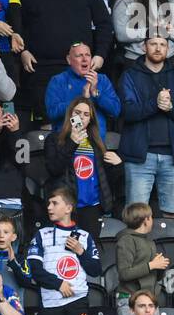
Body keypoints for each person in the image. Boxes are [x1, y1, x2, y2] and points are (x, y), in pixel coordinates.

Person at [119, 34, 174, 218]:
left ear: (168, 49)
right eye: (153, 44)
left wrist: (171, 107)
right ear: (144, 47)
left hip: (172, 157)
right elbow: (126, 112)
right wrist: (155, 103)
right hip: (140, 158)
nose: (158, 48)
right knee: (136, 217)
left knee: (172, 216)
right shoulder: (129, 75)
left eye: (162, 44)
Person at [25, 185, 101, 315]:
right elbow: (34, 269)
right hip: (51, 300)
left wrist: (81, 252)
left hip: (78, 300)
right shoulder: (41, 234)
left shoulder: (85, 236)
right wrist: (59, 284)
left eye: (54, 203)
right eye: (48, 204)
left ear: (68, 208)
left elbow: (96, 270)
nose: (49, 207)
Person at [44, 97, 120, 237]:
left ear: (90, 119)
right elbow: (54, 169)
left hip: (92, 207)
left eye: (86, 114)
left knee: (87, 252)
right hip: (67, 207)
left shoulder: (97, 143)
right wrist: (72, 142)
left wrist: (117, 166)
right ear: (70, 115)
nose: (81, 117)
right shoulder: (54, 139)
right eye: (77, 112)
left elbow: (108, 179)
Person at [44, 40, 119, 138]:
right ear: (69, 59)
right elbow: (52, 113)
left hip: (96, 143)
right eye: (79, 55)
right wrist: (80, 100)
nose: (84, 59)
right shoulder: (58, 81)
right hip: (67, 142)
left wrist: (96, 93)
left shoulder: (102, 80)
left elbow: (115, 110)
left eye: (88, 55)